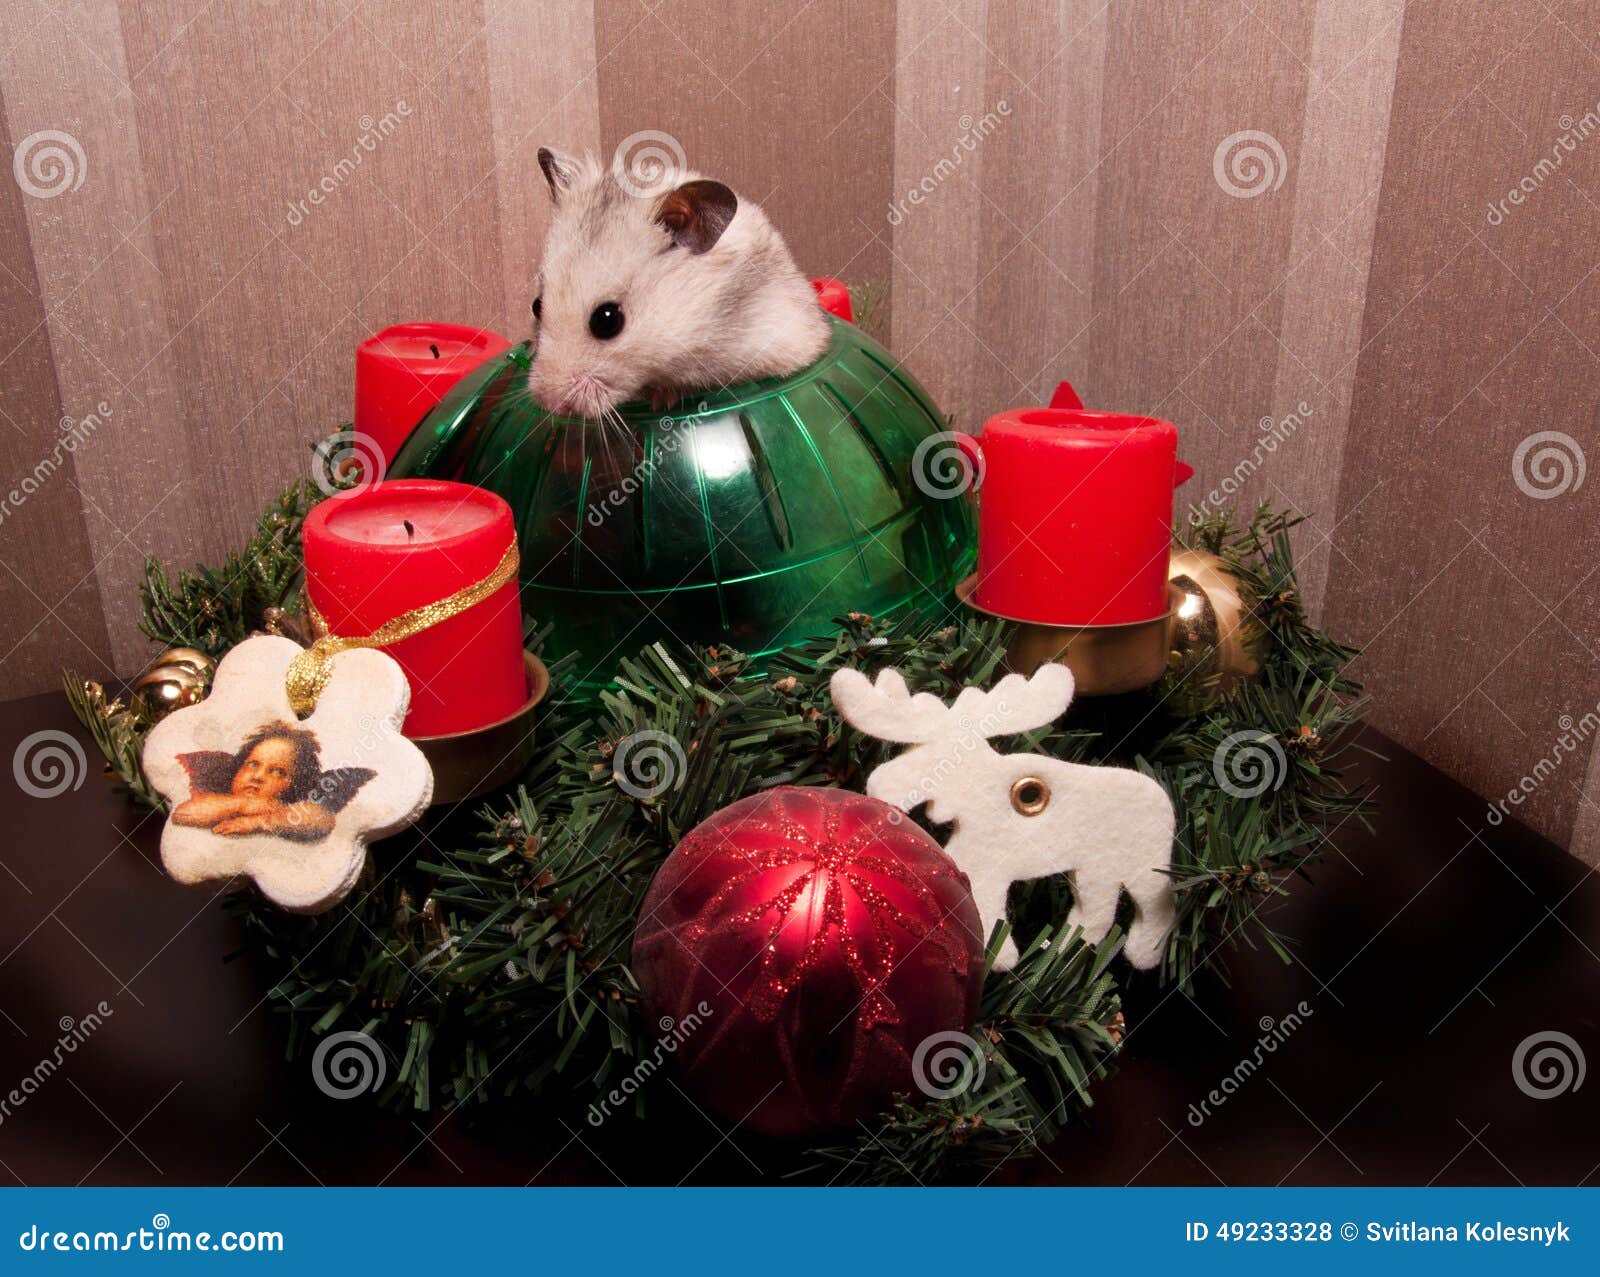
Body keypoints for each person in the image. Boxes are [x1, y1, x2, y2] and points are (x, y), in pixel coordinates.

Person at [172, 724, 337, 842]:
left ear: (295, 784)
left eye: (278, 772)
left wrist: (259, 822)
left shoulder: (282, 810)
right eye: (252, 764)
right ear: (237, 769)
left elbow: (322, 819)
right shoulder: (219, 800)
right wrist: (242, 804)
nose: (257, 776)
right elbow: (183, 813)